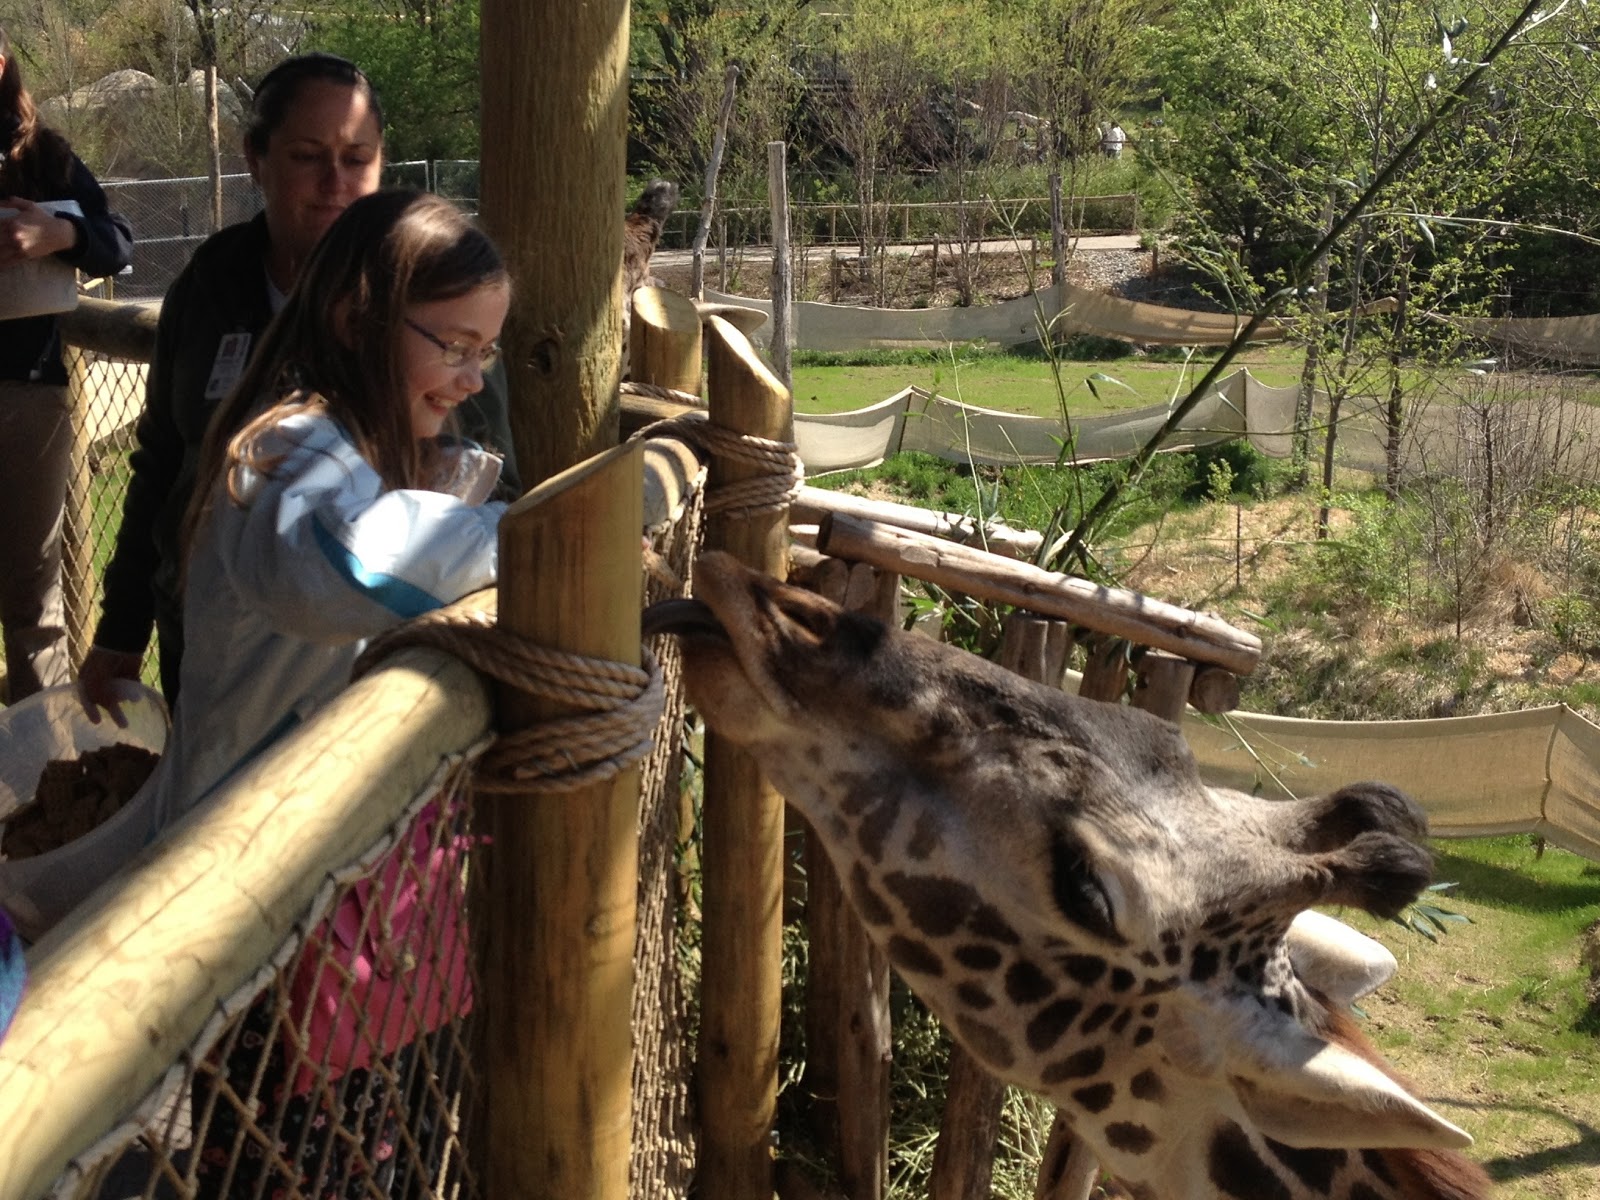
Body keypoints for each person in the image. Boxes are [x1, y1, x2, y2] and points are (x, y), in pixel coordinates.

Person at [78, 52, 518, 717]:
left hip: (369, 673)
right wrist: (123, 624)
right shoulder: (215, 290)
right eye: (310, 156)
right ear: (256, 157)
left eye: (357, 158)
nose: (336, 182)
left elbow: (488, 477)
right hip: (224, 655)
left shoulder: (437, 303)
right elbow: (165, 458)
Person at [0, 23, 133, 703]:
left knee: (33, 608)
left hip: (27, 400)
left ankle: (36, 775)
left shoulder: (44, 156)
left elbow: (117, 244)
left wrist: (58, 233)